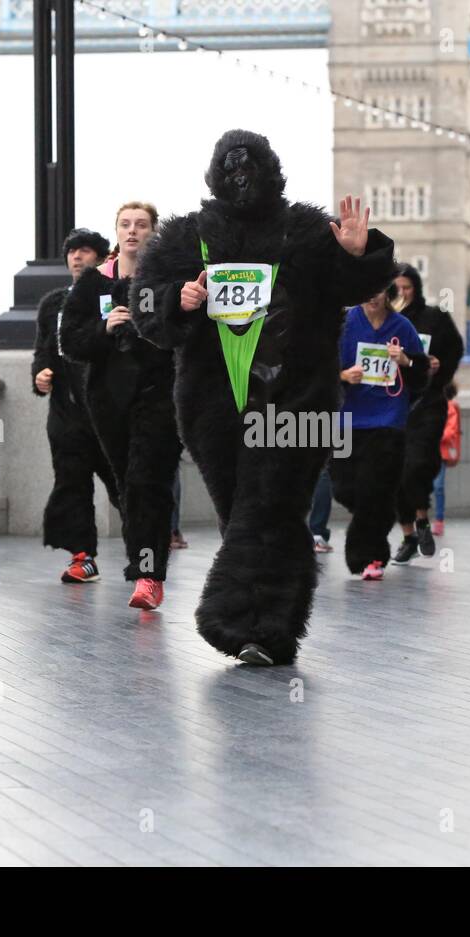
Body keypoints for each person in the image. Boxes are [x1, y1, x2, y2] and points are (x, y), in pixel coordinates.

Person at [130, 129, 396, 666]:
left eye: (251, 167)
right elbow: (144, 306)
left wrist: (361, 253)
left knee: (267, 505)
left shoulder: (308, 230)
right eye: (229, 170)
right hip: (211, 404)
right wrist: (177, 301)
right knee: (248, 513)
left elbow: (357, 282)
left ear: (273, 171)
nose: (241, 178)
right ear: (214, 177)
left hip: (299, 401)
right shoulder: (184, 239)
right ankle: (276, 629)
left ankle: (238, 624)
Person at [59, 202, 181, 610]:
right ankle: (143, 560)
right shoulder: (92, 284)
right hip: (108, 402)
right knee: (128, 488)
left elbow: (186, 332)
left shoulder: (166, 279)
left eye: (141, 224)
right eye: (125, 224)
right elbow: (70, 343)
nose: (133, 231)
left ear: (153, 231)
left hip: (159, 396)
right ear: (116, 231)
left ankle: (148, 577)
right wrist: (103, 328)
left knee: (150, 482)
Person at [30, 227, 119, 583]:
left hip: (109, 412)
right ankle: (82, 558)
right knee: (71, 484)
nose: (77, 257)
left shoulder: (113, 295)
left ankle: (148, 557)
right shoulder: (53, 303)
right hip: (66, 413)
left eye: (85, 251)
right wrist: (40, 375)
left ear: (100, 258)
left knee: (127, 486)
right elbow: (42, 352)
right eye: (72, 251)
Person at [331, 287, 429, 579]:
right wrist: (343, 376)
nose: (372, 296)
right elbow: (318, 368)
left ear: (389, 291)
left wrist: (406, 362)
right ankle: (377, 528)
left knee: (375, 490)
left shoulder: (402, 327)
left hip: (387, 420)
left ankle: (370, 557)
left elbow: (421, 375)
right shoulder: (343, 324)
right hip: (345, 421)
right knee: (346, 490)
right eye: (367, 288)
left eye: (379, 290)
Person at [388, 264, 464, 564]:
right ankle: (409, 534)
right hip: (393, 403)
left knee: (418, 464)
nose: (403, 294)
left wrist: (439, 366)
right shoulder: (386, 320)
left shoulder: (435, 318)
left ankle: (421, 518)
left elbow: (455, 350)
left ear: (416, 287)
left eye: (407, 287)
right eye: (398, 288)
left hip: (428, 402)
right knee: (393, 471)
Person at [433, 383, 461, 536]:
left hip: (439, 451)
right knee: (435, 487)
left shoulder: (449, 407)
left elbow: (450, 431)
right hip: (430, 450)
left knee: (438, 486)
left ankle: (439, 520)